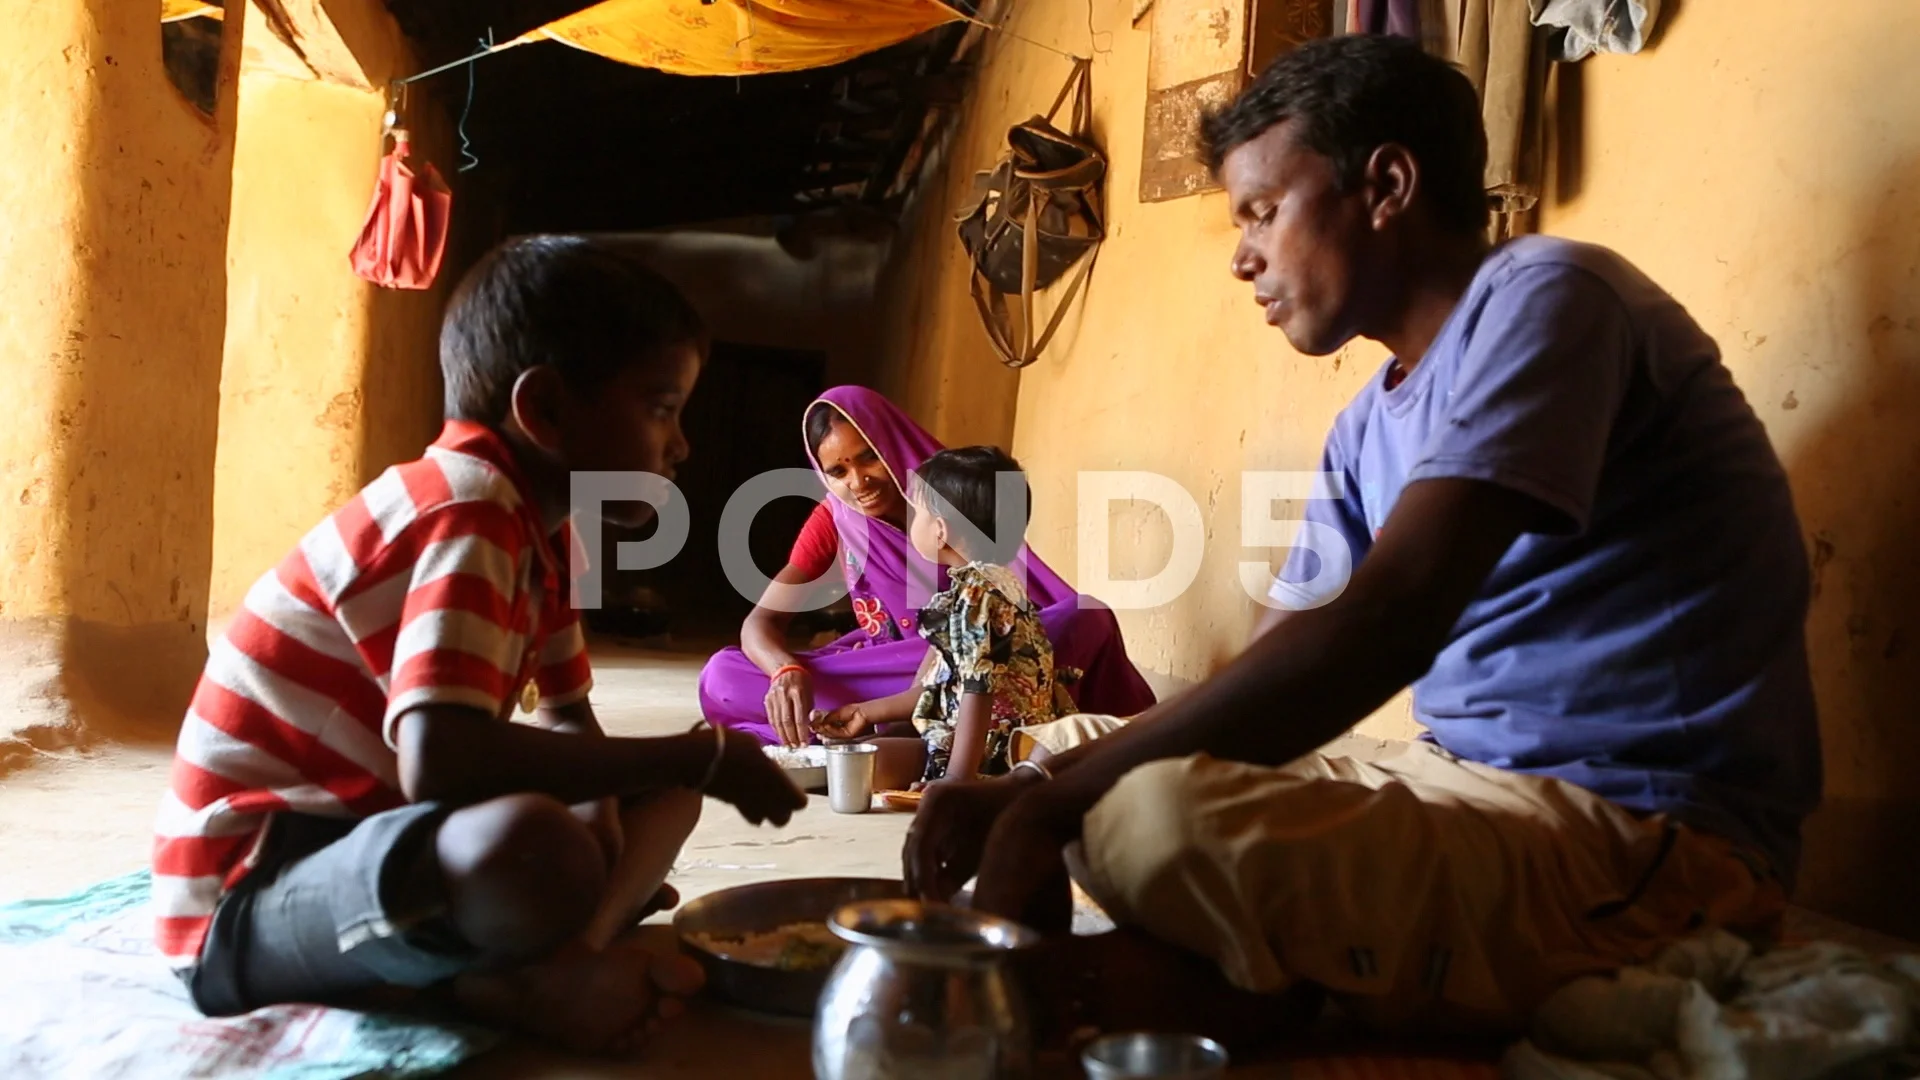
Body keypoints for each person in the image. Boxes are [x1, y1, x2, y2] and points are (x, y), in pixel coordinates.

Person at [902, 35, 1821, 1047]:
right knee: (1061, 752)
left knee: (1151, 822)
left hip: (1646, 833)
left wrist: (1063, 807)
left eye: (1260, 211)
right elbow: (1268, 665)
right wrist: (1034, 788)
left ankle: (1253, 1000)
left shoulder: (1553, 297)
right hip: (1464, 775)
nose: (1241, 255)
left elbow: (1393, 616)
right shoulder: (1366, 426)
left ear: (1385, 184)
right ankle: (1259, 985)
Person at [151, 236, 806, 1056]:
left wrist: (633, 800)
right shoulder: (467, 507)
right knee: (529, 845)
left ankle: (569, 954)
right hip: (249, 896)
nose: (682, 446)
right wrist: (693, 757)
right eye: (662, 408)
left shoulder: (547, 535)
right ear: (547, 412)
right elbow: (442, 759)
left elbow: (572, 720)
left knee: (660, 794)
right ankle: (513, 971)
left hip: (369, 839)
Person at [697, 385, 1157, 748]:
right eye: (837, 472)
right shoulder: (834, 520)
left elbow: (1006, 608)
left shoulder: (951, 490)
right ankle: (884, 721)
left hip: (968, 650)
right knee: (724, 674)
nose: (858, 482)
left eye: (868, 457)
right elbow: (761, 623)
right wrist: (784, 671)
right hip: (898, 666)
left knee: (1085, 615)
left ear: (890, 442)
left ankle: (875, 725)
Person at [812, 446, 1075, 790]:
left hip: (990, 756)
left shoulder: (977, 596)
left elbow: (977, 689)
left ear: (940, 530)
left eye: (916, 511)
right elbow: (938, 686)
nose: (911, 520)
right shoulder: (1001, 587)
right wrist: (863, 713)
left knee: (847, 769)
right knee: (849, 761)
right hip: (1002, 746)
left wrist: (956, 780)